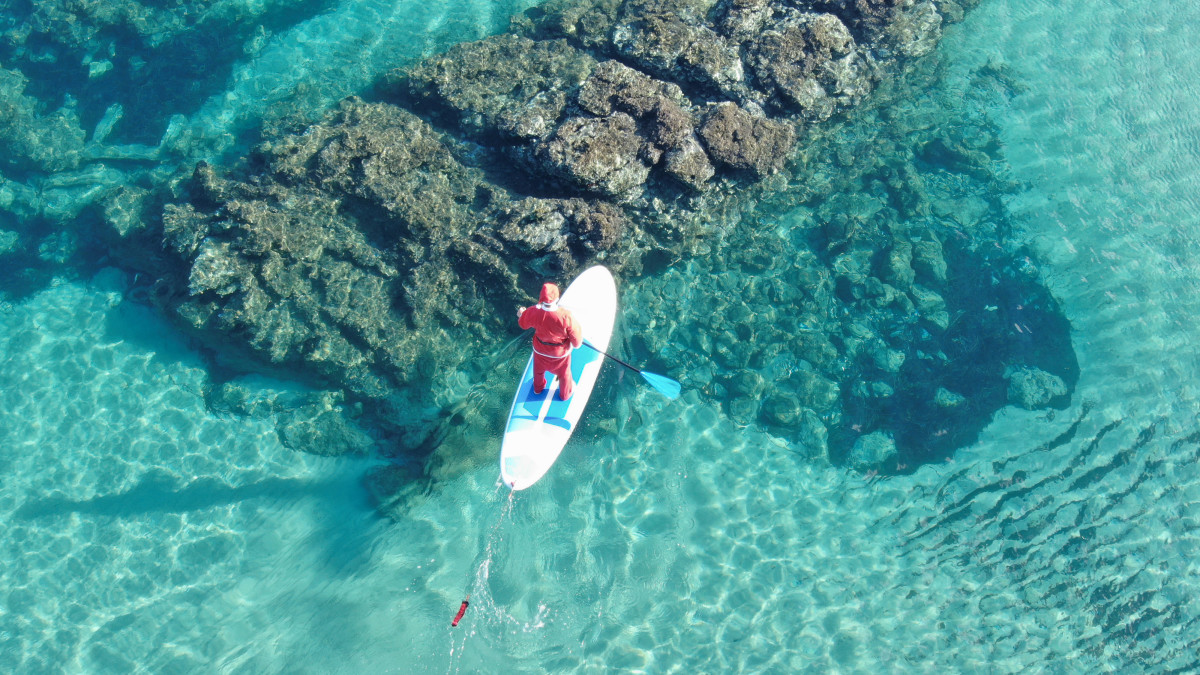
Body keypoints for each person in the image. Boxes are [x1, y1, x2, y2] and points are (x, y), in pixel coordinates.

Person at [518, 282, 584, 401]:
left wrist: (522, 314)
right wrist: (576, 344)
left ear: (541, 298)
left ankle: (538, 388)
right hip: (560, 355)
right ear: (557, 298)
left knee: (538, 370)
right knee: (564, 374)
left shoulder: (533, 312)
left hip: (540, 351)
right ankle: (565, 394)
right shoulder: (565, 316)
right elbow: (577, 340)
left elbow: (523, 324)